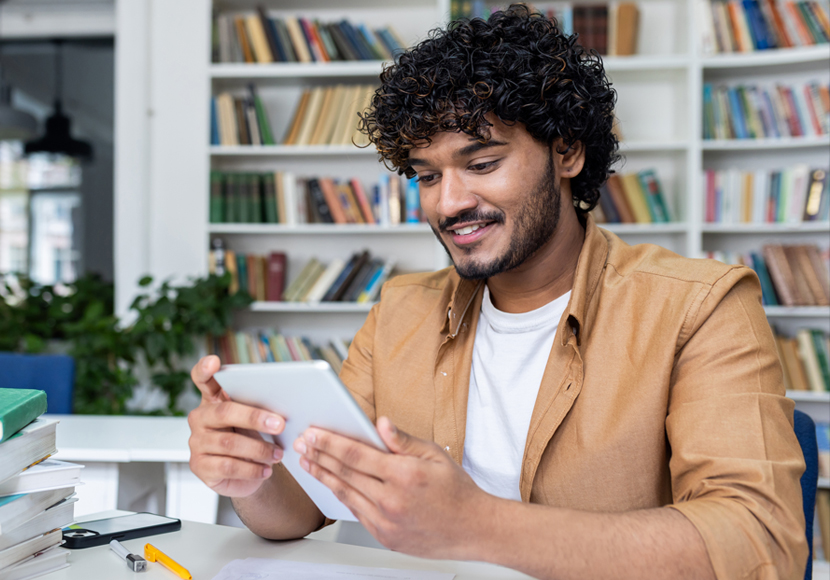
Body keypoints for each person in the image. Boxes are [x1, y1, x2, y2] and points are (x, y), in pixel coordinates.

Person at [187, 6, 807, 579]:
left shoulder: (700, 306)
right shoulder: (401, 309)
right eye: (428, 176)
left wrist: (475, 524)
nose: (449, 203)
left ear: (566, 151)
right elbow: (305, 510)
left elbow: (761, 542)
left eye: (481, 164)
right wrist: (252, 475)